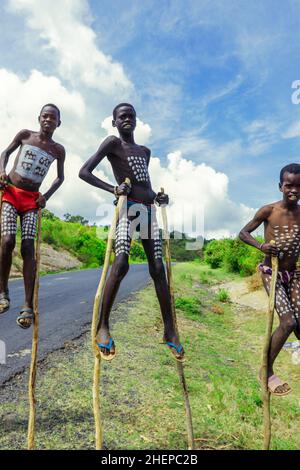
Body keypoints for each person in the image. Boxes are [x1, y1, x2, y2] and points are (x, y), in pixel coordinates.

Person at [79, 103, 184, 362]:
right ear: (114, 122)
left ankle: (170, 330)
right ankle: (102, 325)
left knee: (158, 269)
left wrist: (160, 198)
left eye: (131, 116)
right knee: (122, 262)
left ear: (136, 121)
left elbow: (143, 183)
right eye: (121, 116)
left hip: (149, 209)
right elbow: (84, 172)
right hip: (128, 208)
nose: (127, 119)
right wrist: (113, 189)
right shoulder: (112, 143)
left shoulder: (144, 151)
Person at [0, 104, 65, 328]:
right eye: (45, 116)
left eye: (53, 118)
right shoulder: (25, 135)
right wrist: (1, 171)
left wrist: (45, 196)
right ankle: (3, 291)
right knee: (7, 241)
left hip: (31, 201)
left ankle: (27, 305)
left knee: (28, 248)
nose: (48, 120)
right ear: (39, 118)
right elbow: (5, 153)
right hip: (9, 193)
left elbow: (60, 178)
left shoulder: (58, 150)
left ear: (58, 123)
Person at [239, 163, 300, 396]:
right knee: (288, 322)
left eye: (298, 186)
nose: (293, 190)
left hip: (293, 274)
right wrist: (262, 246)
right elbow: (243, 233)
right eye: (288, 185)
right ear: (280, 187)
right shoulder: (269, 211)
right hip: (271, 272)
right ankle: (266, 371)